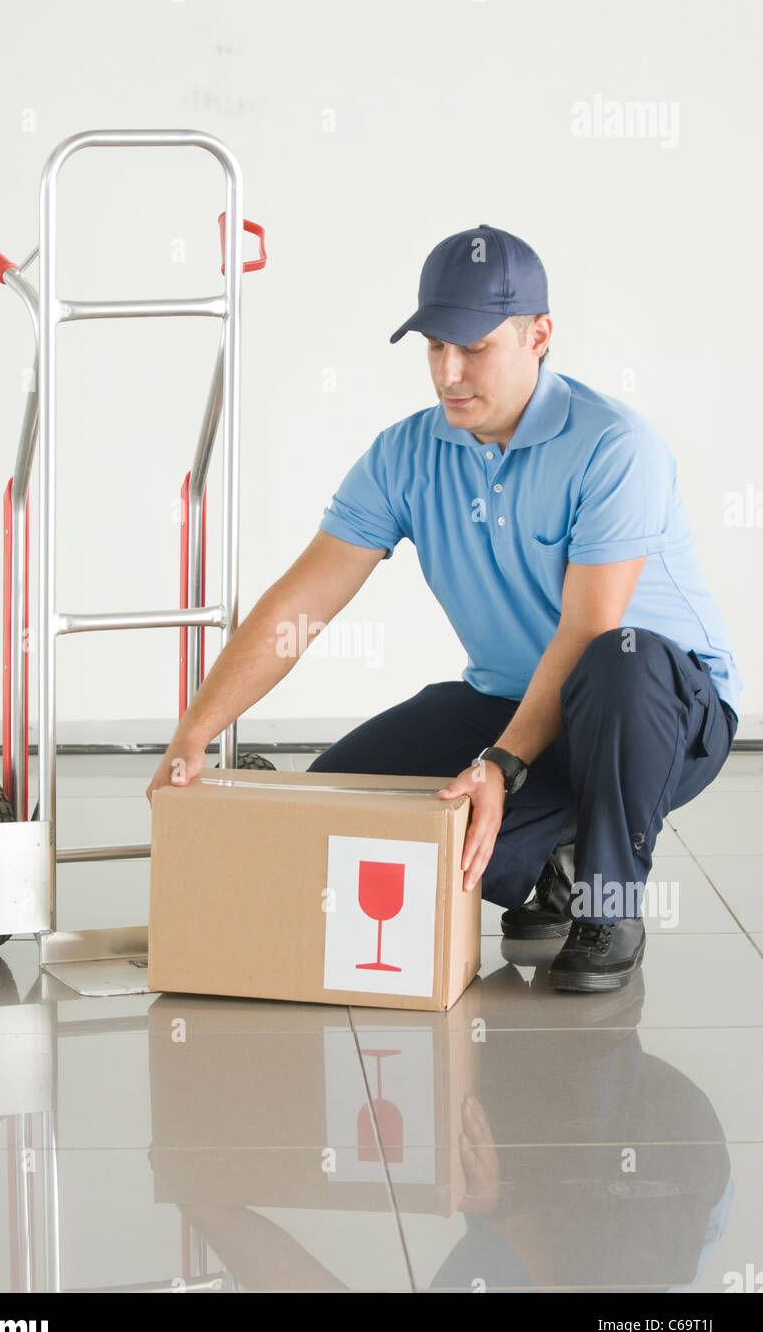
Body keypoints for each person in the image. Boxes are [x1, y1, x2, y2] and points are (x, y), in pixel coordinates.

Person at [147, 224, 741, 993]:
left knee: (615, 663)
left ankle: (606, 897)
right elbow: (304, 600)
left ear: (539, 336)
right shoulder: (406, 453)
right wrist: (197, 729)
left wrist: (498, 765)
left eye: (474, 347)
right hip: (515, 700)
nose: (449, 373)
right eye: (433, 347)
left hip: (659, 714)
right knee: (339, 816)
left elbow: (589, 630)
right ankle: (557, 850)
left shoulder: (613, 446)